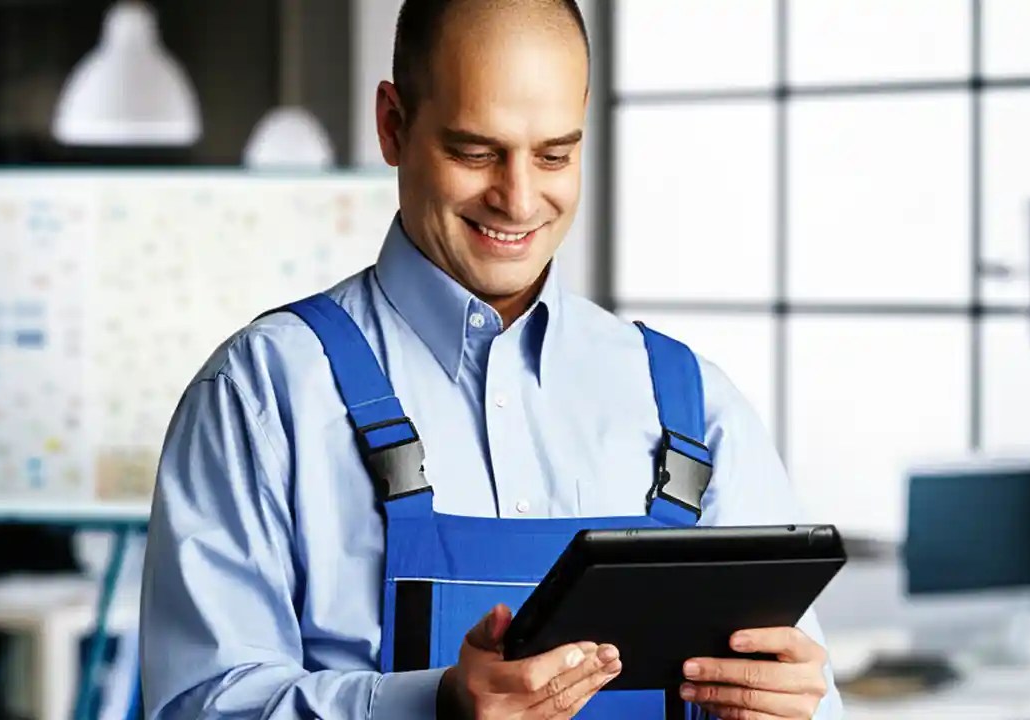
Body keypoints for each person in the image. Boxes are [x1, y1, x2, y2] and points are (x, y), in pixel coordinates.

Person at [140, 0, 843, 718]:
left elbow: (812, 697)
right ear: (394, 125)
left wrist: (791, 707)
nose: (518, 198)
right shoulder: (261, 394)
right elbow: (199, 704)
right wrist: (433, 706)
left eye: (554, 154)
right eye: (476, 152)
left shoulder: (696, 407)